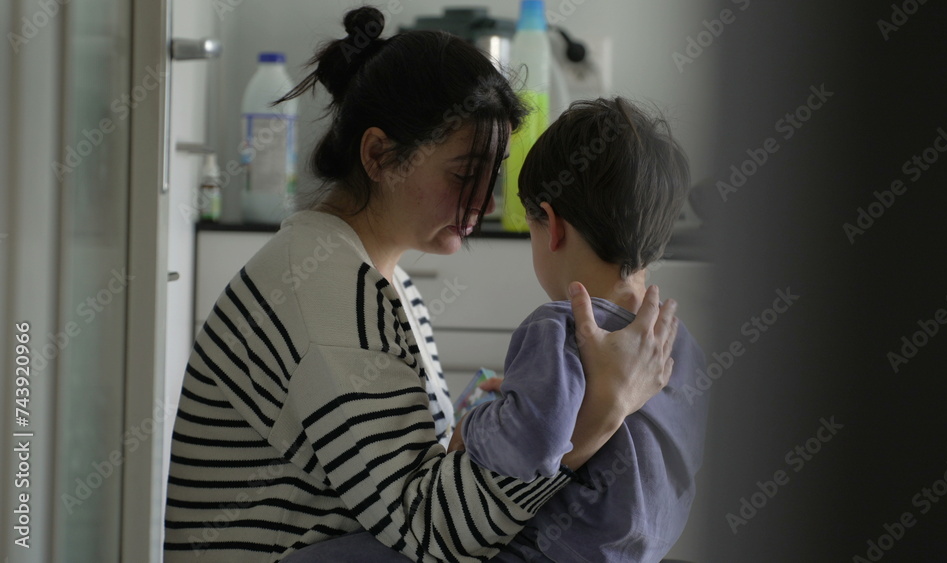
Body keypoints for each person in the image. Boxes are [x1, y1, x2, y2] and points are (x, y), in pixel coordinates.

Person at [163, 7, 679, 562]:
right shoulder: (327, 295)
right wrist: (589, 423)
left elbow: (409, 474)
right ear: (379, 156)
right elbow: (433, 531)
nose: (482, 203)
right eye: (463, 175)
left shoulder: (382, 281)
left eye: (493, 174)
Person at [450, 97, 709, 562]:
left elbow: (530, 445)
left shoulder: (556, 326)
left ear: (550, 225)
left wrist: (475, 425)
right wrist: (525, 393)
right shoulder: (678, 343)